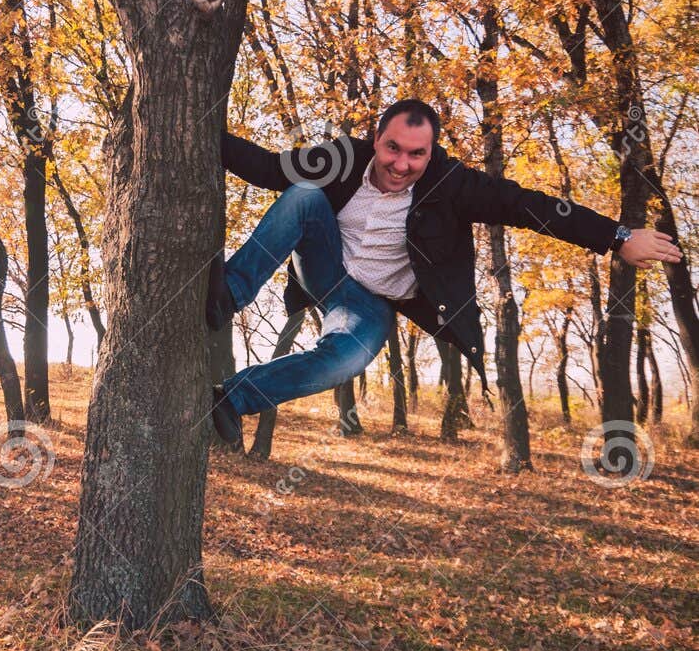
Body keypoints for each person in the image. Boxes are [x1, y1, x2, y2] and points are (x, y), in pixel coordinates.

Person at [207, 99, 682, 444]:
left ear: (431, 151)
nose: (401, 164)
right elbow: (269, 169)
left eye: (417, 154)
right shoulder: (343, 158)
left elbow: (527, 205)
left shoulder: (452, 185)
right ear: (376, 139)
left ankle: (234, 397)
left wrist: (617, 237)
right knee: (303, 196)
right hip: (325, 268)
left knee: (344, 361)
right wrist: (200, 128)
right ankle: (229, 292)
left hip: (370, 305)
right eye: (392, 148)